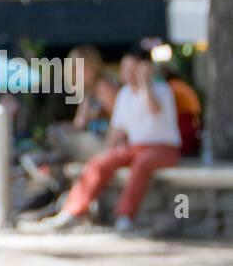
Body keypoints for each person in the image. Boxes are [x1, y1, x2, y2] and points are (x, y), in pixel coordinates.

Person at [39, 45, 181, 233]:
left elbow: (153, 109)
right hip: (135, 147)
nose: (126, 74)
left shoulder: (161, 89)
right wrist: (108, 153)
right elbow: (117, 129)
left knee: (142, 164)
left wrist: (146, 82)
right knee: (98, 164)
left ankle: (124, 217)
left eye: (132, 69)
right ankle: (72, 211)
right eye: (125, 69)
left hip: (163, 148)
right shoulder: (124, 94)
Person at [46, 45, 119, 163]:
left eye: (84, 68)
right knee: (55, 133)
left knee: (70, 143)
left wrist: (98, 115)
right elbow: (79, 124)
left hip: (108, 143)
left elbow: (120, 120)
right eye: (76, 69)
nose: (80, 74)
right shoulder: (88, 93)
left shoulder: (103, 86)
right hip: (94, 140)